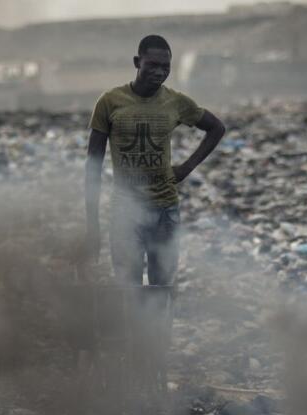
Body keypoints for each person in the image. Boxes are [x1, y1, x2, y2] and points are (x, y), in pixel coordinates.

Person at [84, 35, 225, 286]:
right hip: (125, 211)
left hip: (164, 212)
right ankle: (135, 328)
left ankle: (160, 328)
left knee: (162, 290)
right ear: (137, 62)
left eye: (166, 67)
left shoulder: (176, 102)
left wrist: (186, 168)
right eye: (153, 65)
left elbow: (216, 128)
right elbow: (92, 164)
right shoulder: (110, 102)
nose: (159, 72)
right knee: (128, 290)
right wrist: (92, 224)